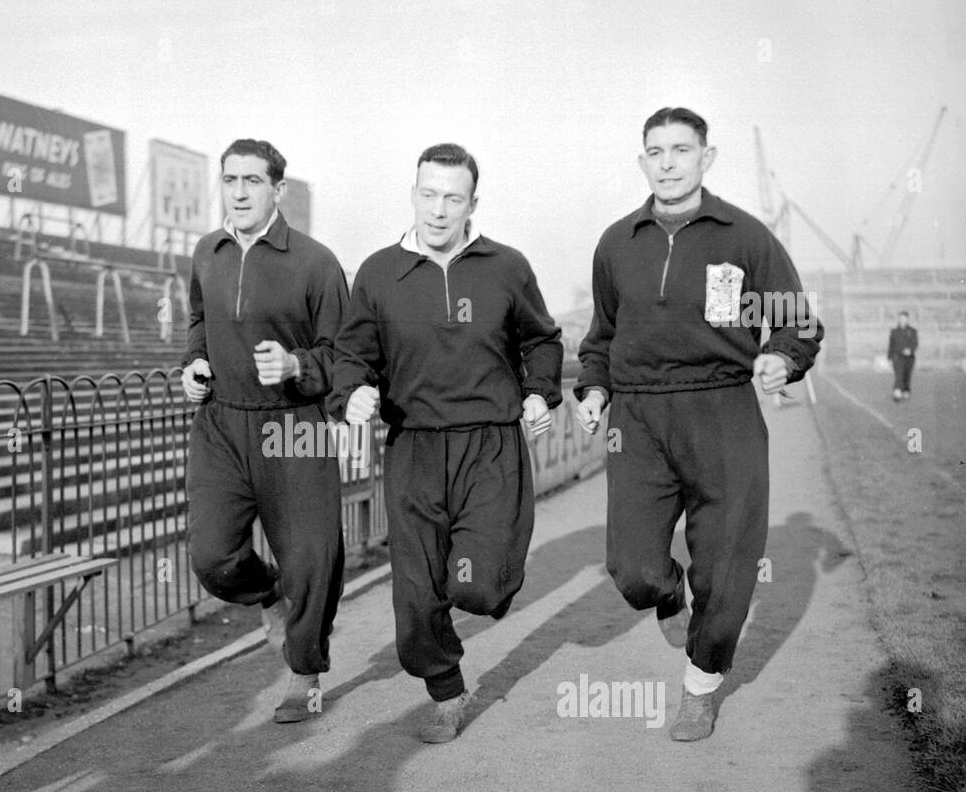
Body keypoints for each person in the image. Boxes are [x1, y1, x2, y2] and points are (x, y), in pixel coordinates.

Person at [575, 106, 824, 742]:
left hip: (722, 410)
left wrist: (781, 356)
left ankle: (700, 685)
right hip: (638, 416)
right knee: (630, 566)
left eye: (680, 150)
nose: (667, 163)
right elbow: (601, 336)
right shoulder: (616, 241)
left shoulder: (744, 236)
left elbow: (797, 320)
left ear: (706, 158)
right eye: (655, 152)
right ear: (642, 162)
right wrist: (594, 388)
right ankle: (666, 589)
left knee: (728, 562)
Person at [328, 143, 563, 743]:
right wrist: (351, 392)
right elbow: (353, 355)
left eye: (452, 197)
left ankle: (485, 585)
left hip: (490, 446)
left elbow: (541, 342)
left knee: (477, 586)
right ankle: (445, 690)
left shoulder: (506, 267)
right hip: (414, 448)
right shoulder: (379, 273)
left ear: (471, 204)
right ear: (413, 195)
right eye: (428, 194)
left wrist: (539, 392)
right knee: (415, 588)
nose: (438, 209)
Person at [181, 139, 349, 723]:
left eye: (254, 181)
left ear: (278, 189)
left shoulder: (315, 262)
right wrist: (193, 364)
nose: (241, 192)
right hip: (222, 423)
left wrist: (298, 366)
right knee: (212, 555)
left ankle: (304, 672)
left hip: (291, 425)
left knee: (309, 556)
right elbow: (199, 321)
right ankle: (267, 593)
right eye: (231, 180)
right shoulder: (208, 251)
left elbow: (343, 356)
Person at [888, 311, 918, 400]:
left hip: (909, 358)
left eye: (905, 319)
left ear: (908, 320)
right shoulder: (894, 331)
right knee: (899, 374)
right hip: (897, 357)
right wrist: (889, 357)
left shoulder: (912, 331)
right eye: (901, 318)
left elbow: (915, 343)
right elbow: (891, 345)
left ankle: (906, 390)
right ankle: (897, 390)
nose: (902, 321)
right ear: (898, 319)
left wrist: (910, 350)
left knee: (907, 375)